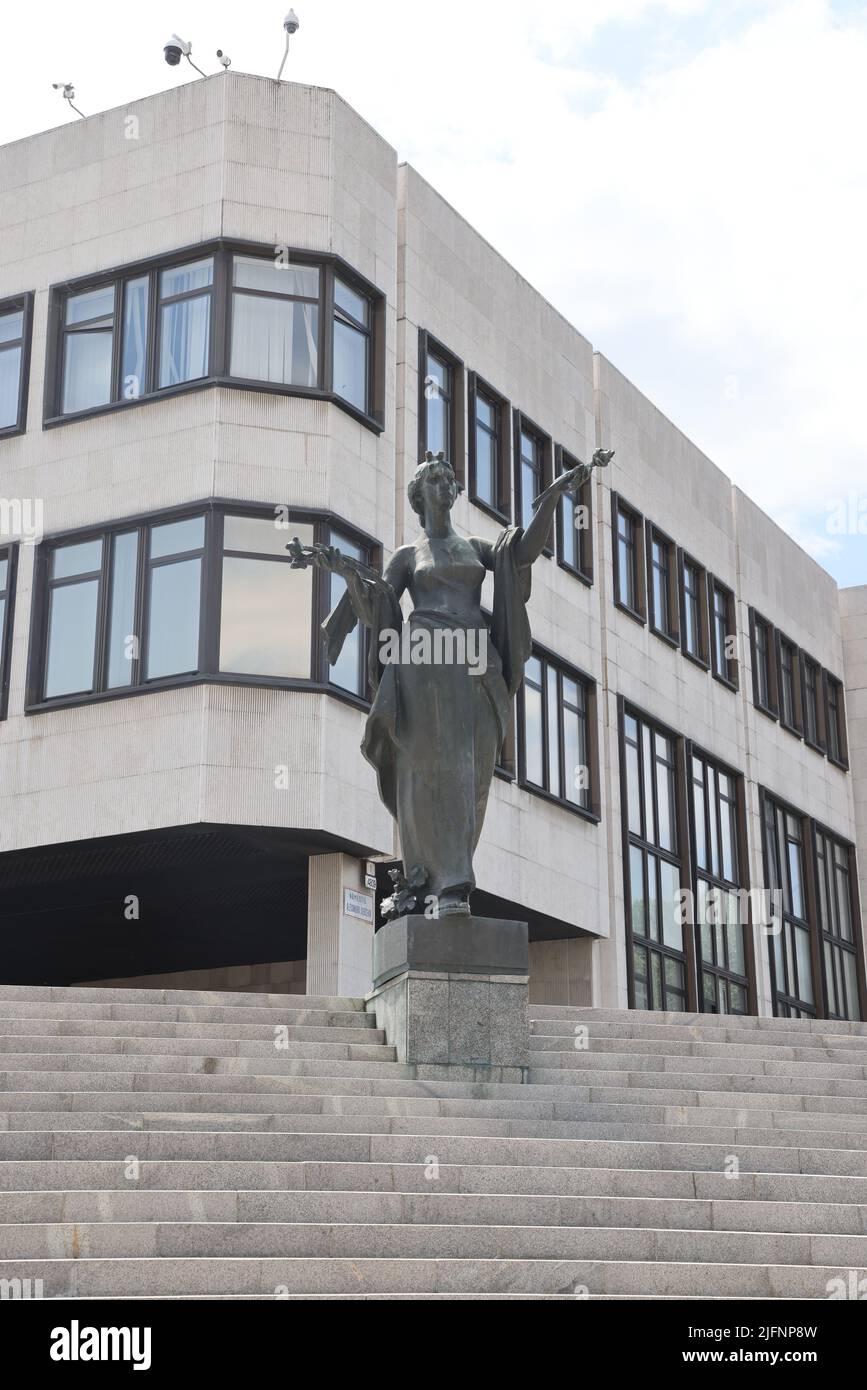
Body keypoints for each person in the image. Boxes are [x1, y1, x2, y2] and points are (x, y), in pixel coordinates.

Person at [305, 448, 607, 917]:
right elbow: (382, 603)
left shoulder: (477, 547)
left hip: (474, 664)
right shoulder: (409, 555)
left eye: (450, 480)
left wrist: (553, 498)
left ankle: (450, 876)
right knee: (428, 772)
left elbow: (523, 553)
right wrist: (345, 574)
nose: (447, 486)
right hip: (423, 663)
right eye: (437, 480)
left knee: (471, 771)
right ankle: (443, 883)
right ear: (419, 495)